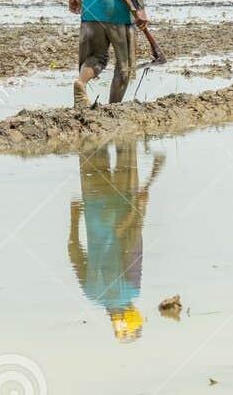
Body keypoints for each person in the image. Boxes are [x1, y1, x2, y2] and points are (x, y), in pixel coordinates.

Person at [68, 143, 164, 342]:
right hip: (94, 204)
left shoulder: (131, 290)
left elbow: (131, 241)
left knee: (125, 145)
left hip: (124, 201)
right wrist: (75, 216)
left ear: (133, 315)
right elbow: (74, 250)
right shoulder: (91, 293)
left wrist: (140, 208)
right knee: (90, 146)